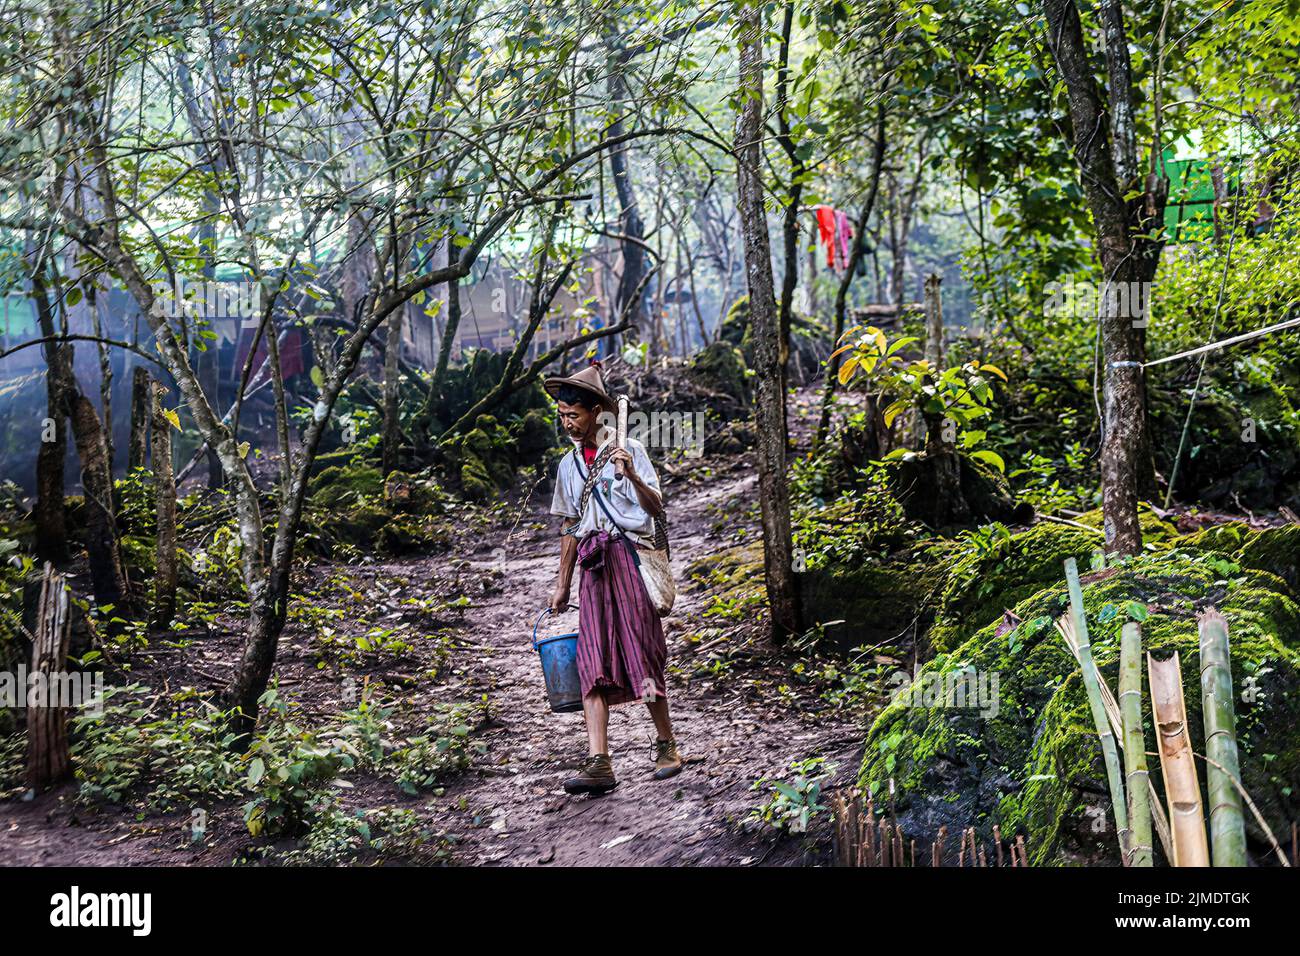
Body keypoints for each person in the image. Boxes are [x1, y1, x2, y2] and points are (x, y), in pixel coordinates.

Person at [544, 362, 683, 795]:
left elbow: (655, 508)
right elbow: (570, 524)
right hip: (593, 567)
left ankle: (666, 745)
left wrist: (634, 477)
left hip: (629, 561)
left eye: (575, 415)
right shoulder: (569, 465)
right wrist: (563, 582)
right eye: (562, 416)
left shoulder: (631, 451)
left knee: (642, 652)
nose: (568, 423)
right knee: (592, 658)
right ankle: (599, 761)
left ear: (597, 413)